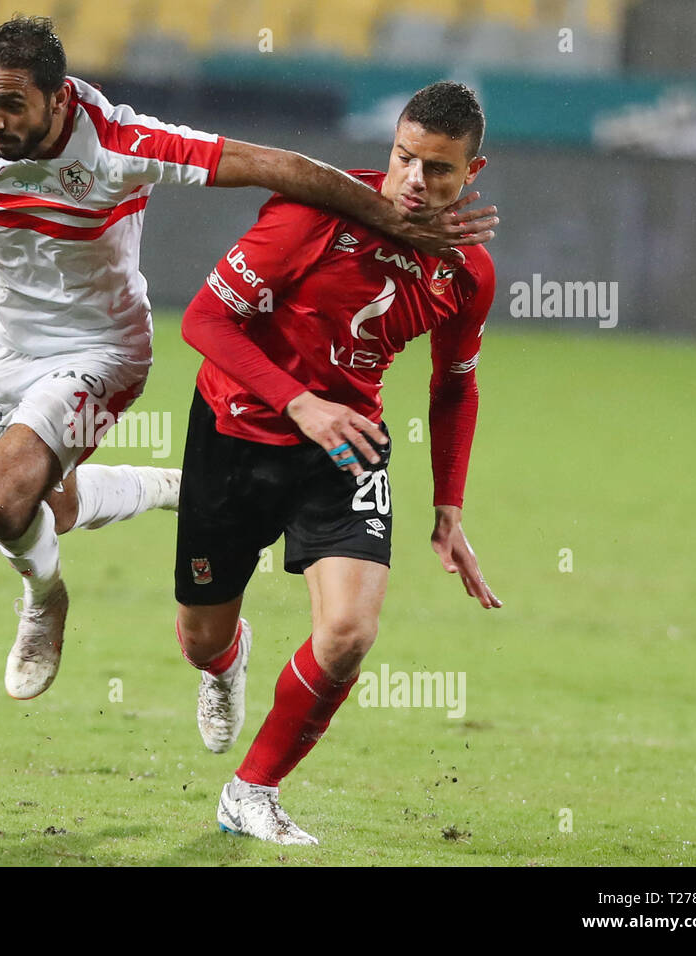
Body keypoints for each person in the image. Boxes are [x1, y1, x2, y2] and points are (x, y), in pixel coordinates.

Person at [0, 17, 497, 702]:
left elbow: (275, 165)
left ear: (59, 100)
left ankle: (45, 603)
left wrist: (398, 223)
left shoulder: (121, 142)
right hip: (8, 346)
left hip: (103, 346)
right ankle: (172, 486)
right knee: (47, 508)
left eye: (11, 106)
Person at [174, 81, 502, 845]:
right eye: (405, 159)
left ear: (472, 172)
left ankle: (251, 790)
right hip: (235, 430)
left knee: (350, 630)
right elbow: (204, 319)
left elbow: (456, 386)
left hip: (347, 444)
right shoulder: (314, 214)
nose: (417, 181)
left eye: (440, 170)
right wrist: (297, 402)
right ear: (390, 148)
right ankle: (228, 659)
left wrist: (449, 506)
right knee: (198, 638)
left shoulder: (467, 272)